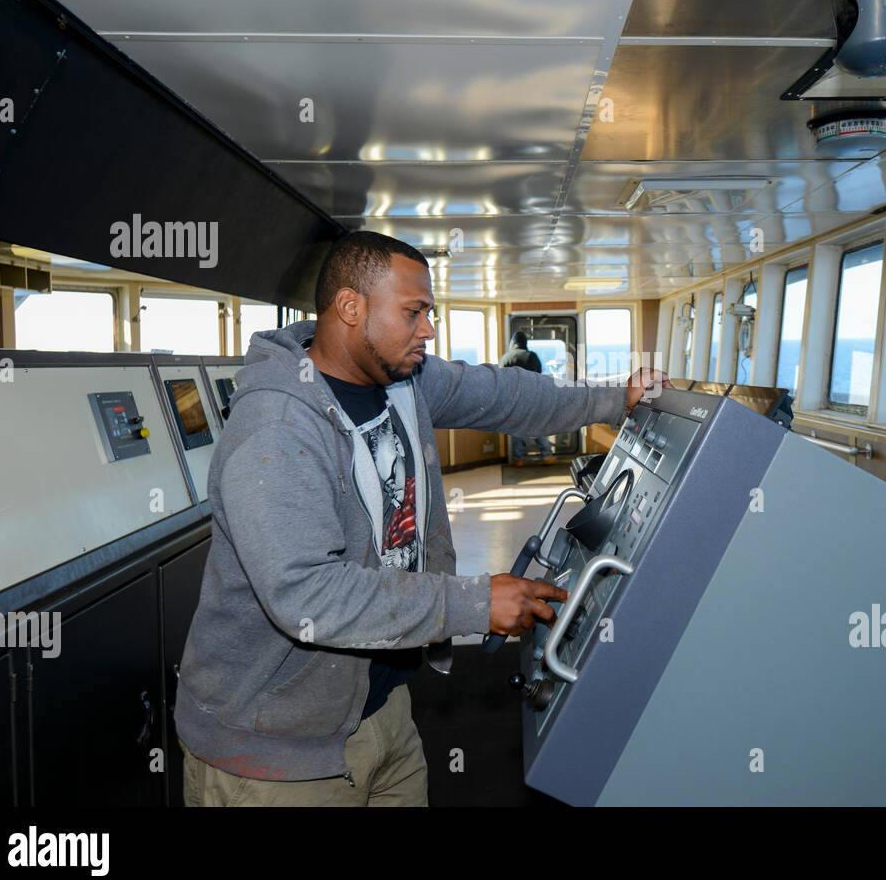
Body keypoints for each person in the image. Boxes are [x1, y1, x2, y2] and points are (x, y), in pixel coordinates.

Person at [174, 230, 668, 806]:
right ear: (351, 307)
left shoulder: (403, 378)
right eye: (414, 312)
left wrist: (614, 400)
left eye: (428, 313)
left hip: (378, 703)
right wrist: (474, 603)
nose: (428, 330)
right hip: (274, 750)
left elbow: (506, 396)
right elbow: (308, 597)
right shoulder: (278, 427)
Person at [499, 330, 554, 465]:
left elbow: (501, 380)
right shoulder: (532, 356)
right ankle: (547, 456)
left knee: (516, 429)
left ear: (512, 343)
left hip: (513, 400)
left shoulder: (505, 358)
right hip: (532, 397)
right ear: (525, 343)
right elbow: (540, 375)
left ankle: (518, 459)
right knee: (538, 427)